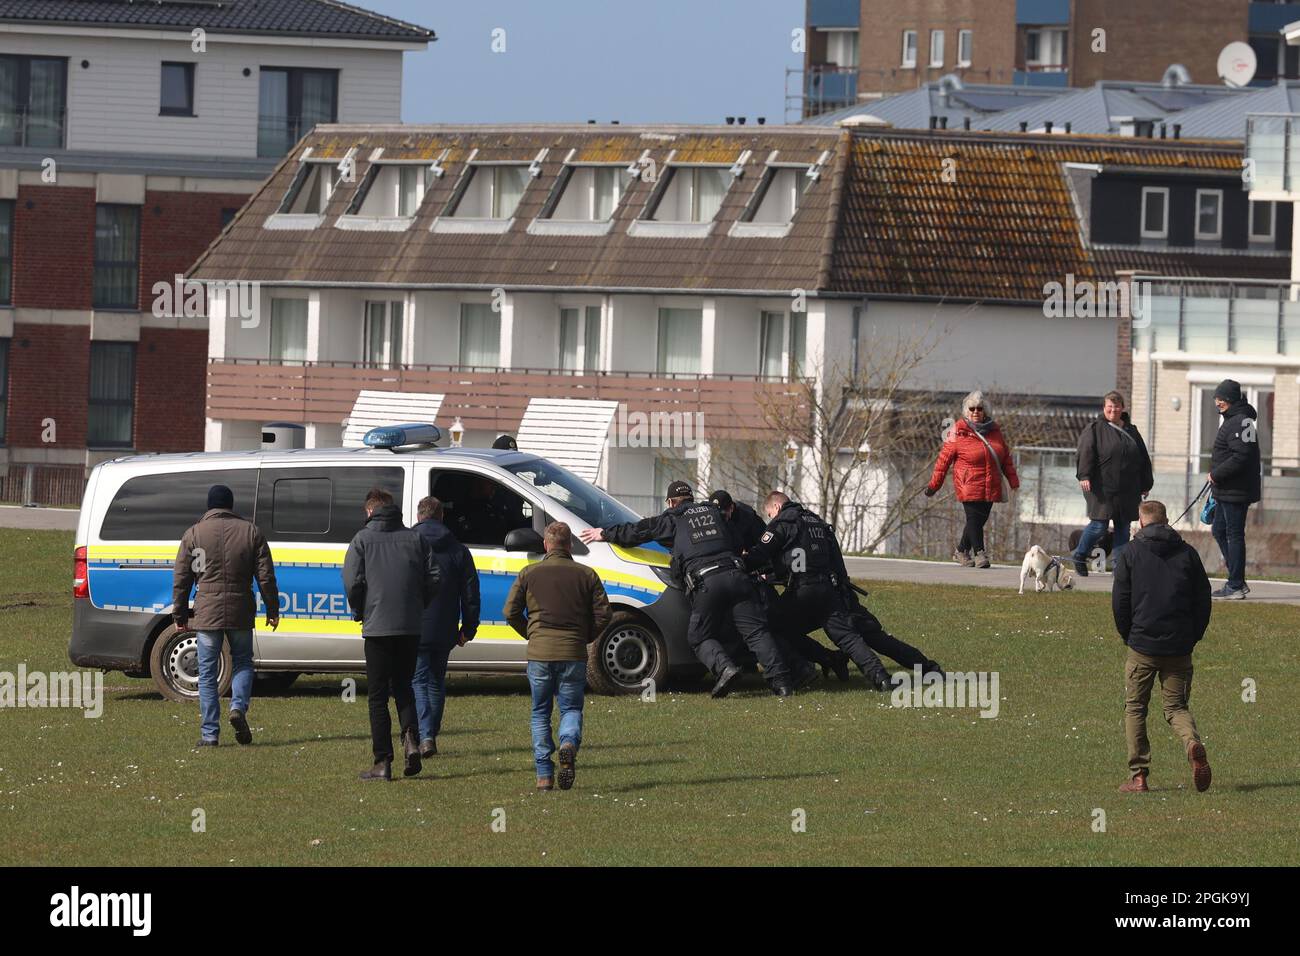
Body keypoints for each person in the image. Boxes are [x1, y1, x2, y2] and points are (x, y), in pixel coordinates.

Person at [580, 480, 797, 698]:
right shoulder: (716, 513)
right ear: (691, 498)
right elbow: (737, 540)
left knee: (698, 636)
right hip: (737, 576)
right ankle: (783, 684)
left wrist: (605, 534)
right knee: (756, 632)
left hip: (707, 582)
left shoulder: (674, 518)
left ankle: (724, 668)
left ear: (672, 502)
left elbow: (639, 531)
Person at [743, 492, 895, 691]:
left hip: (800, 591)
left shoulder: (782, 523)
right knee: (848, 637)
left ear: (777, 507)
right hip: (827, 590)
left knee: (768, 627)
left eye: (770, 514)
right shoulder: (816, 521)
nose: (771, 518)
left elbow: (760, 554)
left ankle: (801, 671)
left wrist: (741, 562)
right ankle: (881, 678)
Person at [1112, 500, 1213, 794]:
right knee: (1176, 707)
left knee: (1135, 708)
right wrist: (1193, 636)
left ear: (1141, 523)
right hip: (1179, 647)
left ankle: (1139, 776)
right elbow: (1203, 599)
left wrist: (1128, 636)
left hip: (1142, 644)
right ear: (1166, 521)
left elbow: (1120, 601)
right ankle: (1192, 743)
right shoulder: (1188, 553)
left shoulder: (1130, 553)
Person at [504, 521, 611, 791]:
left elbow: (510, 612)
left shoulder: (529, 573)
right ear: (570, 545)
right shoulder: (587, 574)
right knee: (571, 708)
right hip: (573, 652)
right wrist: (585, 635)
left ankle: (543, 775)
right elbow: (604, 614)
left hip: (540, 653)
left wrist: (531, 633)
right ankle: (568, 744)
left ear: (545, 545)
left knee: (540, 712)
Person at [342, 488, 441, 782]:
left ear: (370, 511)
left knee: (377, 696)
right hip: (410, 626)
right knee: (404, 687)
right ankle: (411, 738)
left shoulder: (362, 540)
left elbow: (352, 582)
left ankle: (383, 761)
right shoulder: (416, 538)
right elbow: (434, 576)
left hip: (377, 626)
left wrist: (361, 610)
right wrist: (417, 604)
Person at [172, 484, 279, 749]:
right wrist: (272, 609)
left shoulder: (194, 534)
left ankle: (210, 734)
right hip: (241, 607)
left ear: (209, 506)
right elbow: (265, 576)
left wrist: (180, 613)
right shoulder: (251, 532)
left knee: (207, 672)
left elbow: (182, 578)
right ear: (230, 505)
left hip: (207, 609)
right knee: (243, 661)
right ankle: (238, 707)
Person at [412, 496, 480, 758]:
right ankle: (431, 733)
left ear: (419, 517)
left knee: (418, 680)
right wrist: (469, 627)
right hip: (445, 626)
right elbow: (471, 593)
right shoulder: (458, 549)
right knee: (436, 681)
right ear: (441, 517)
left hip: (414, 624)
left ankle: (426, 734)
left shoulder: (409, 544)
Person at [925, 390, 1019, 568]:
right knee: (974, 519)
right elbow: (943, 461)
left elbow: (1005, 458)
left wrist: (1013, 481)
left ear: (985, 411)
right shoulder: (957, 432)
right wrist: (934, 485)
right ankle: (980, 553)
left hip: (991, 483)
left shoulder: (994, 431)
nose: (976, 412)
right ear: (966, 411)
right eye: (972, 408)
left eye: (979, 408)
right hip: (967, 483)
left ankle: (961, 551)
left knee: (978, 520)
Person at [1070, 390, 1153, 577]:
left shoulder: (1132, 431)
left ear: (1122, 408)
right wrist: (1084, 476)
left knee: (1123, 527)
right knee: (1099, 524)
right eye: (1109, 407)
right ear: (1104, 408)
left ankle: (1120, 567)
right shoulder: (1094, 429)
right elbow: (1084, 453)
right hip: (1101, 488)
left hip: (1127, 488)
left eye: (1116, 406)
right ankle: (1080, 554)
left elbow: (1143, 458)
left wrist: (1146, 483)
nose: (1113, 410)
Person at [1207, 379, 1262, 600]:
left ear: (1231, 399)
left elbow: (1242, 456)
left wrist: (1216, 474)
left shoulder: (1238, 421)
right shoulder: (1236, 419)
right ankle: (1236, 578)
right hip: (1227, 489)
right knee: (1219, 530)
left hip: (1235, 490)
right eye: (1216, 398)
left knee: (1233, 534)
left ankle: (1236, 584)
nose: (1217, 402)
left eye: (1221, 398)